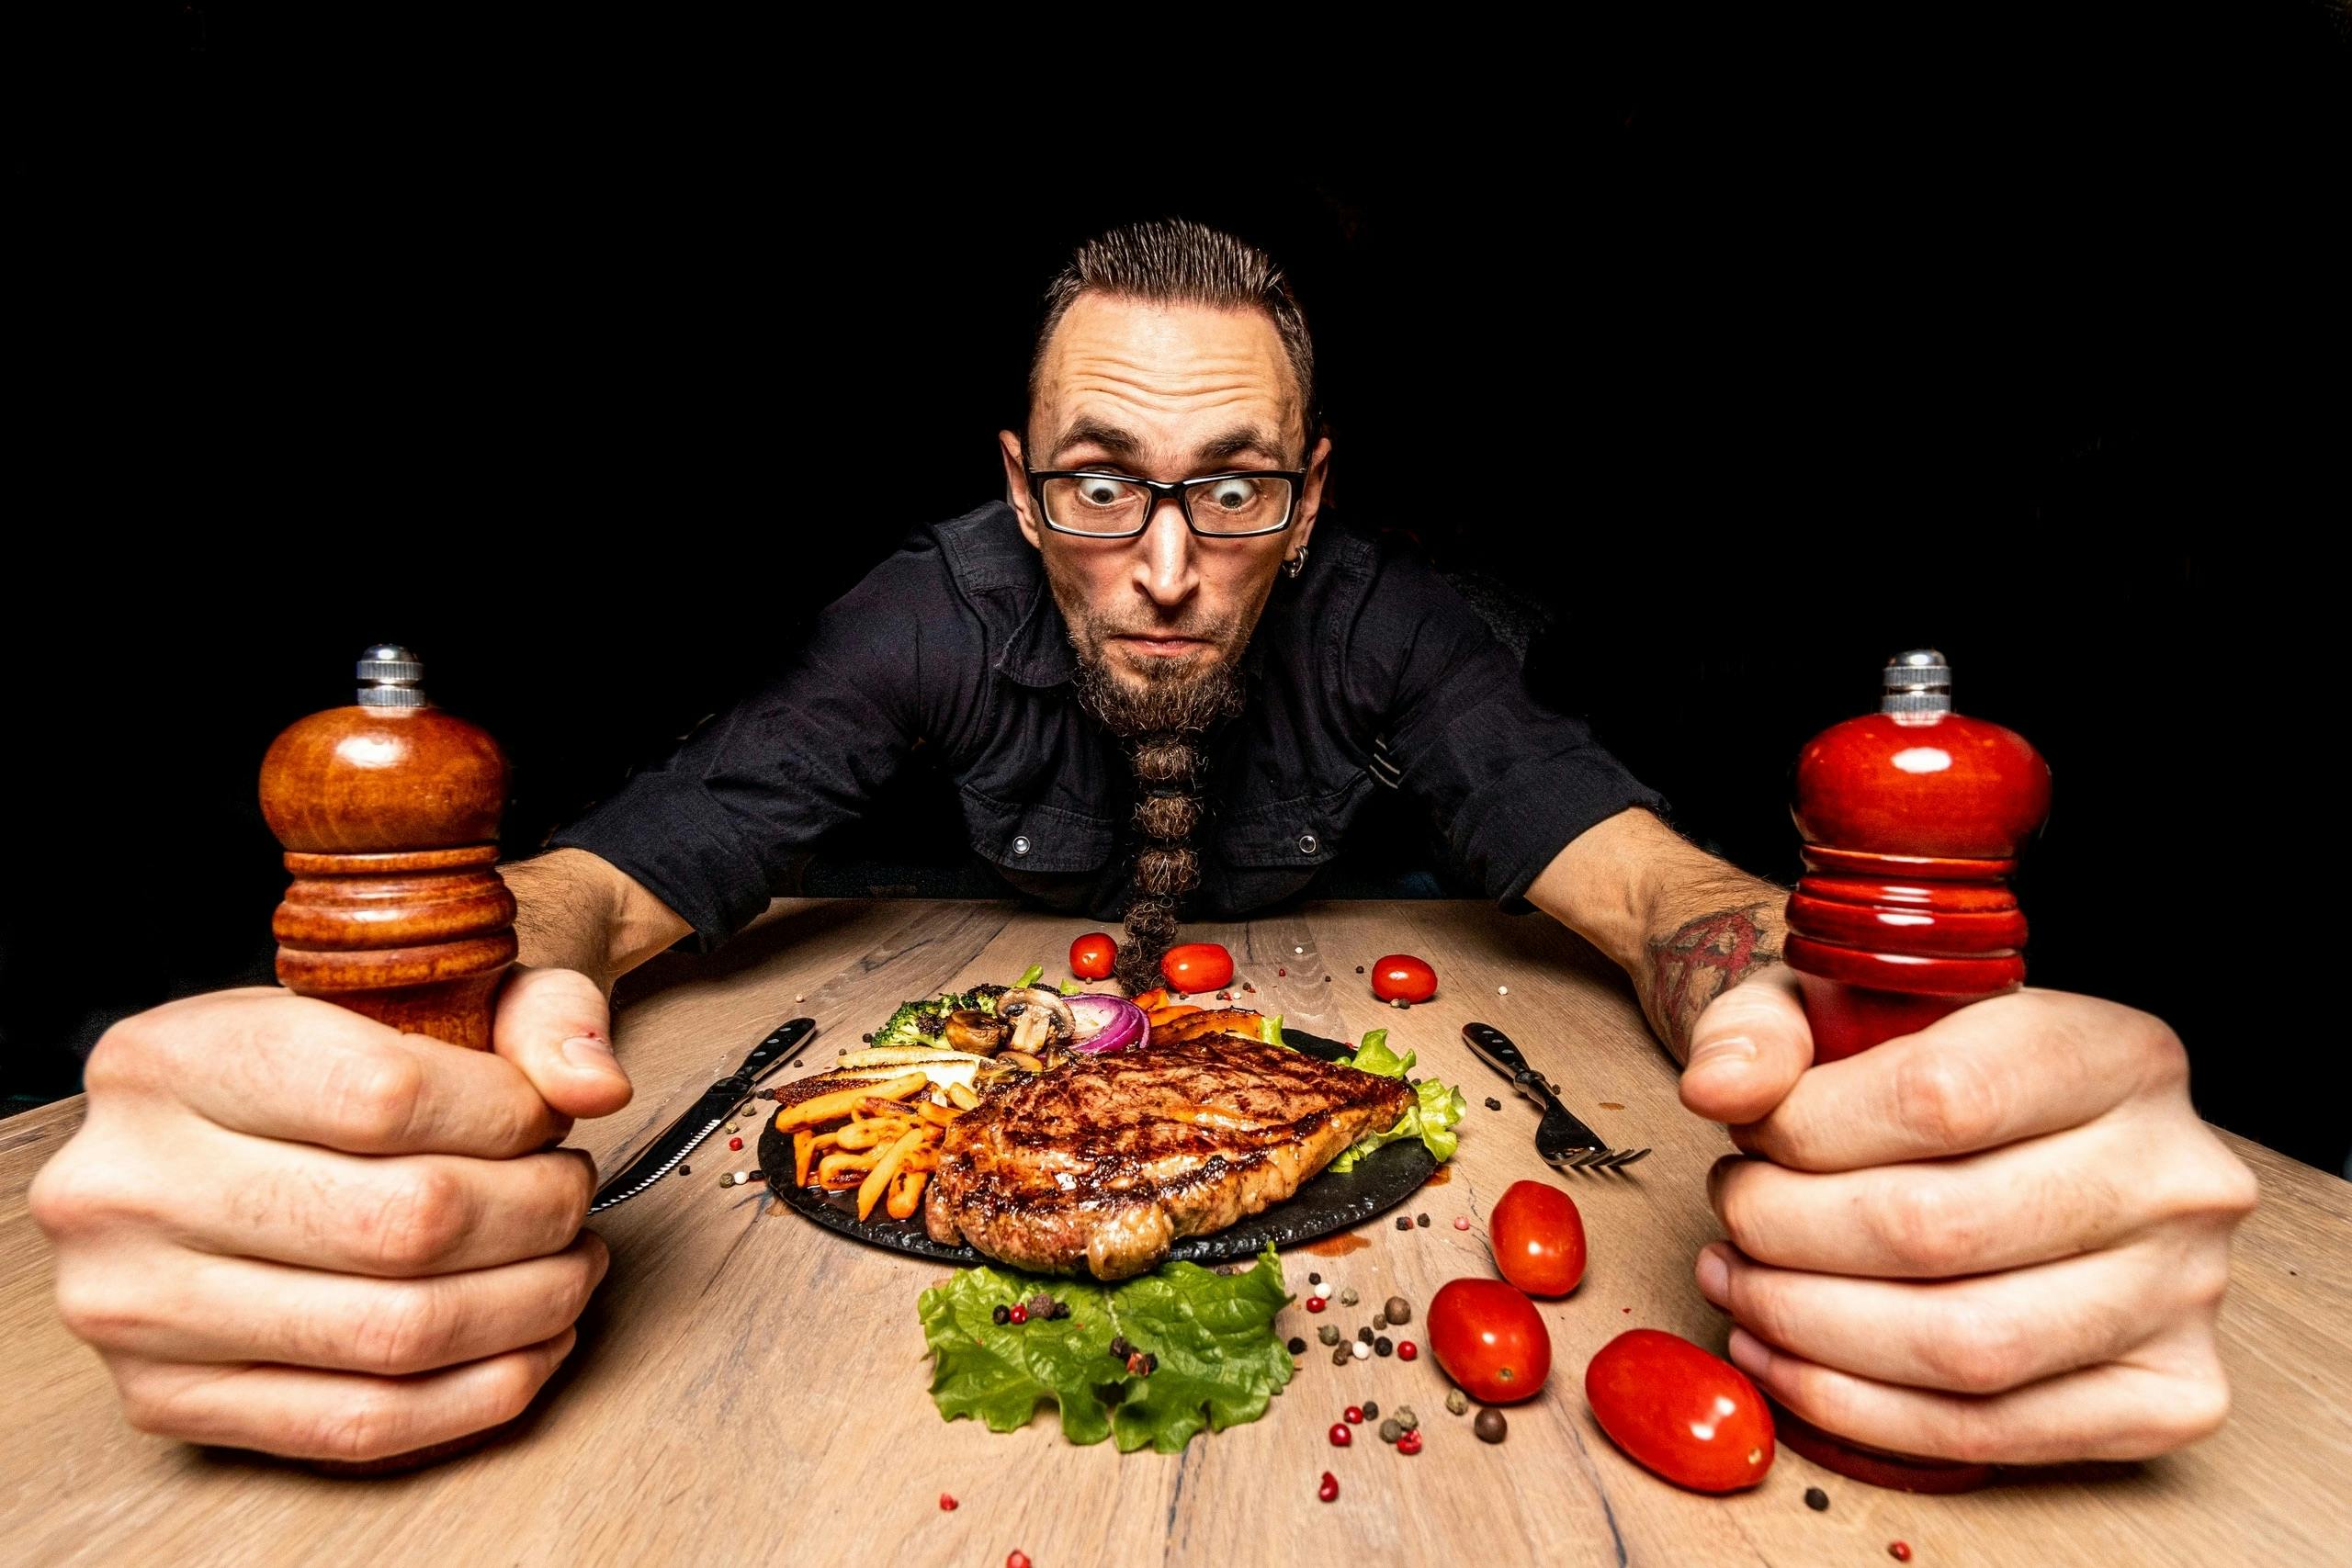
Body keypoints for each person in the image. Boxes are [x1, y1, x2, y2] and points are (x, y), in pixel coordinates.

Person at [30, 220, 2256, 1465]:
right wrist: (438, 969)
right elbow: (650, 854)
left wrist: (1807, 988)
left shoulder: (1379, 617)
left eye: (1234, 491)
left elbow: (1642, 875)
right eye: (1101, 483)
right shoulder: (924, 608)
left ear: (1306, 490)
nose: (1170, 563)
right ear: (1018, 484)